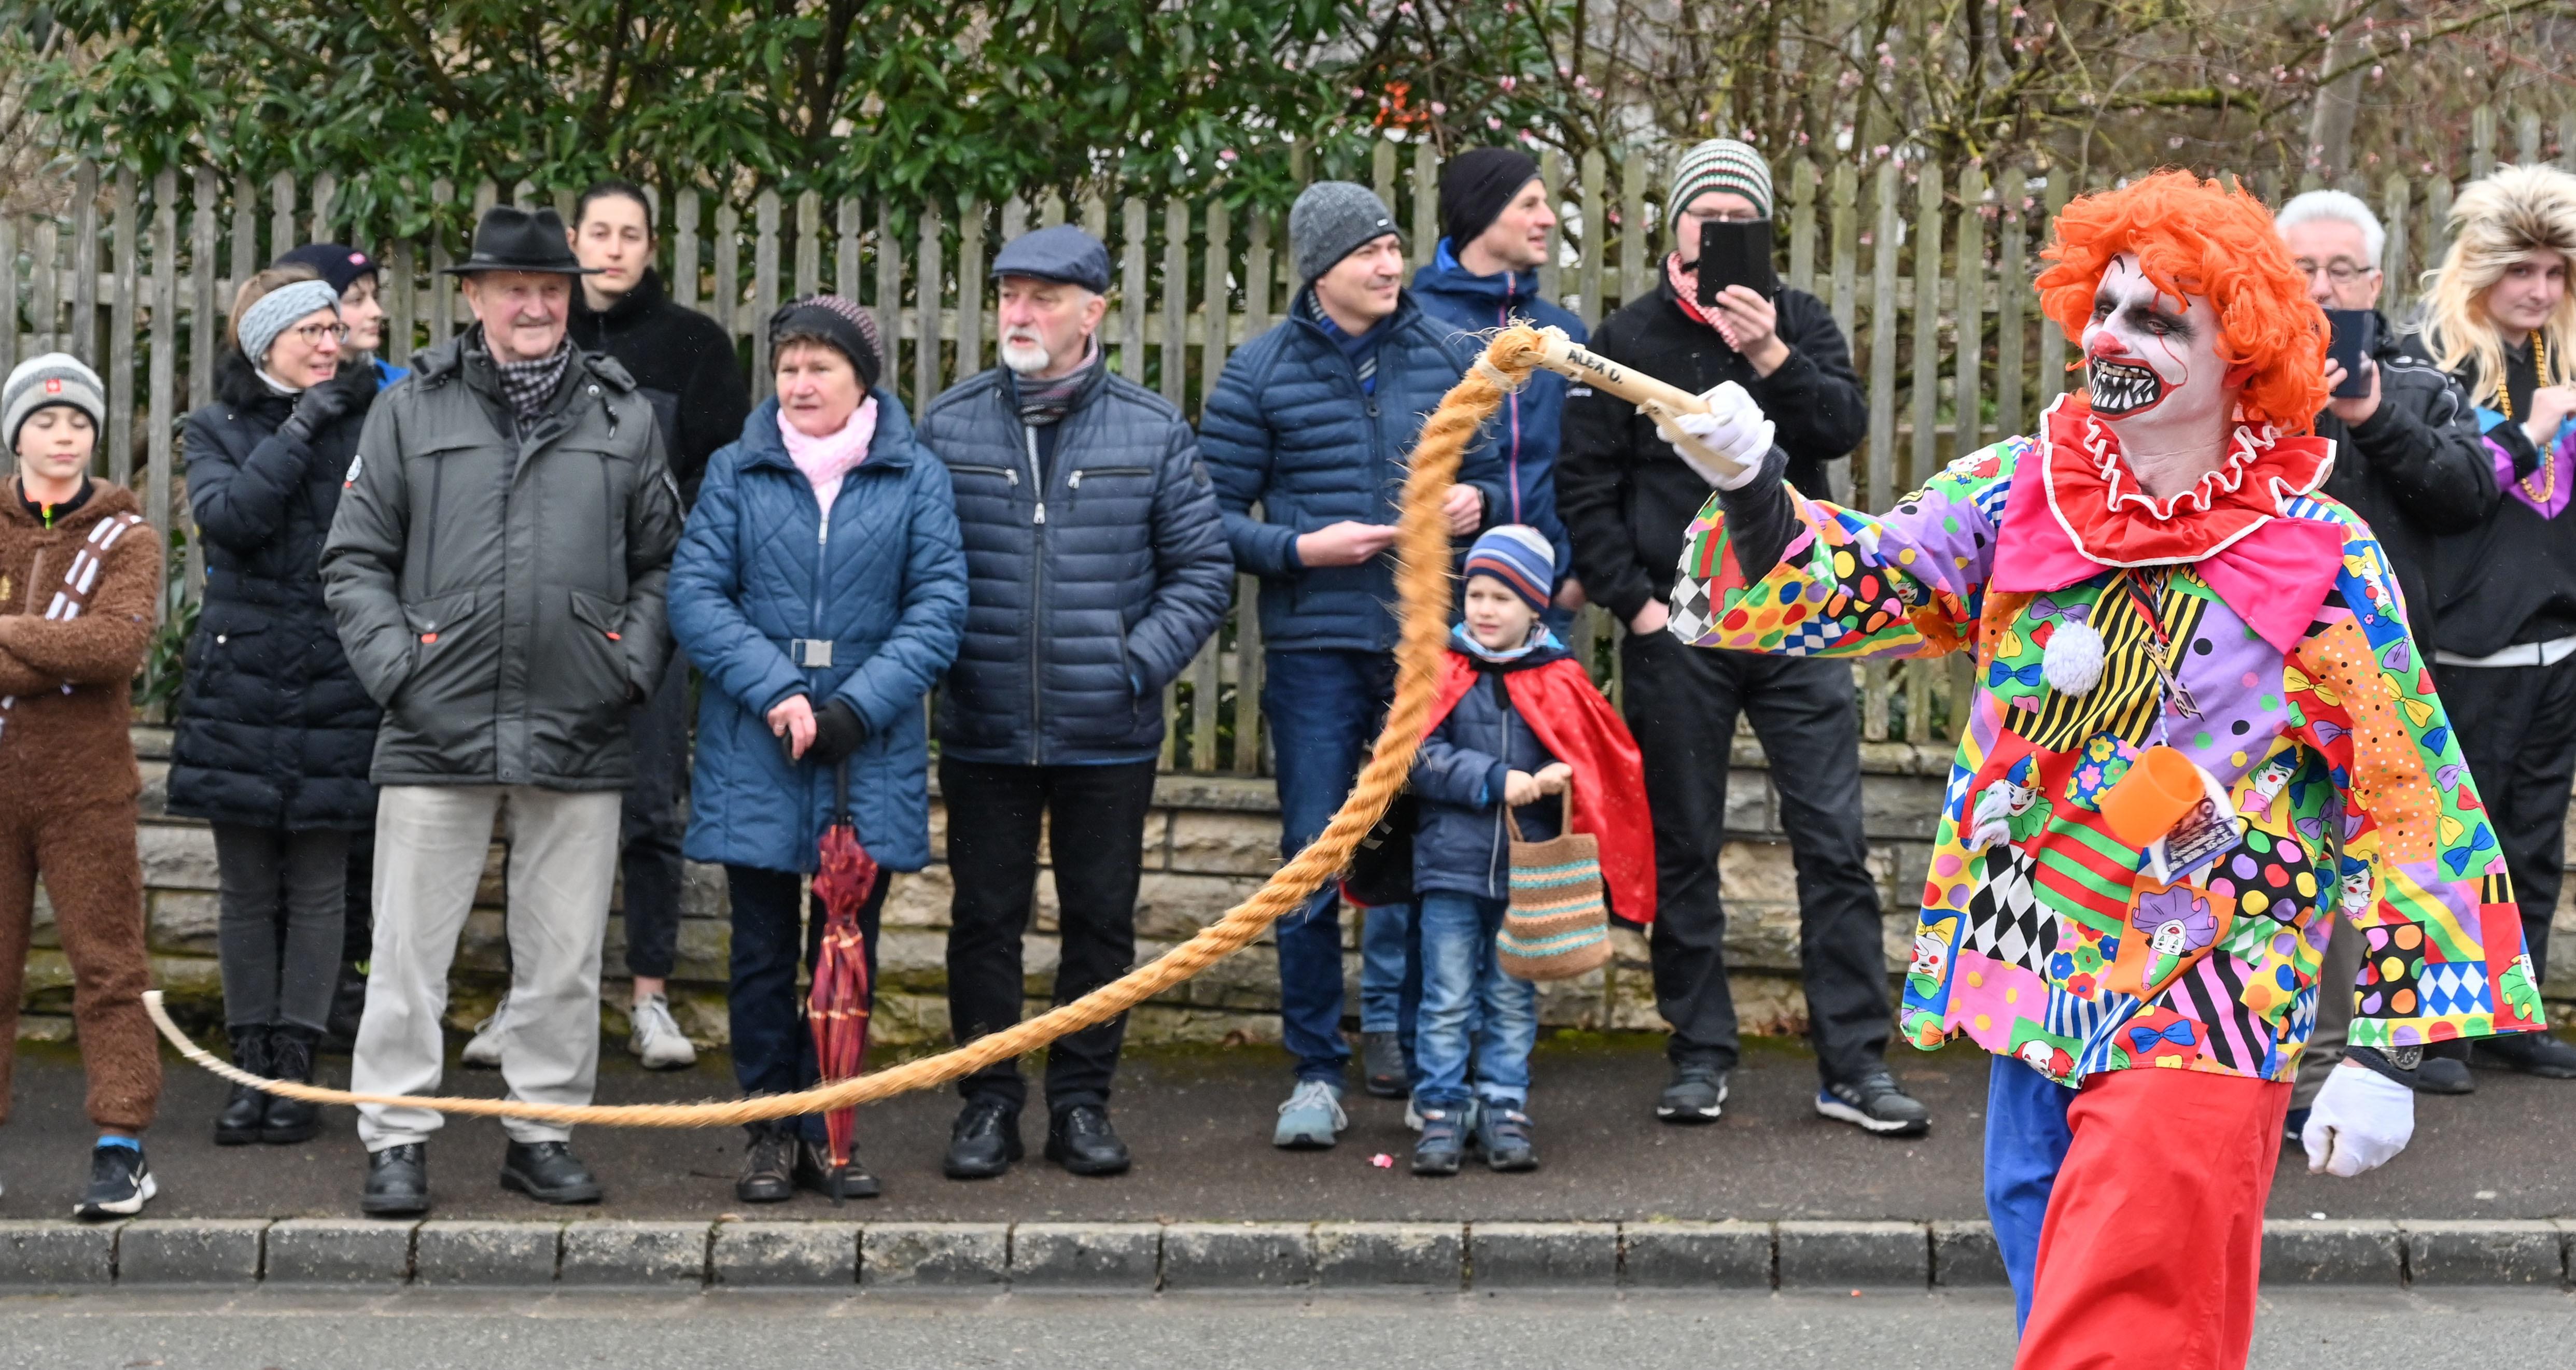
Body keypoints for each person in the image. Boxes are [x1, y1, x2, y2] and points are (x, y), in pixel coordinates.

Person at [1669, 169, 2542, 1365]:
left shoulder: (2313, 551)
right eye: (2106, 304)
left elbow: (2409, 801)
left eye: (2154, 318)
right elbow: (1852, 586)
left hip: (2207, 992)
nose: (2109, 336)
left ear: (2236, 353)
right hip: (2035, 969)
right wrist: (1749, 484)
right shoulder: (2021, 488)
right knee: (2070, 1293)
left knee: (2120, 1320)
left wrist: (2390, 1049)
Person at [1556, 138, 1926, 1134]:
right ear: (1669, 224)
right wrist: (1634, 604)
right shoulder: (1623, 335)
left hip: (1800, 620)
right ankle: (1699, 1052)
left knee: (1834, 845)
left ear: (1762, 230)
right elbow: (1586, 481)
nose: (1714, 232)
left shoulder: (1795, 321)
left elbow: (1839, 426)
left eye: (1736, 217)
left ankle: (1853, 1063)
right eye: (1700, 214)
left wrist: (1766, 352)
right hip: (1676, 628)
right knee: (1685, 843)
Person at [322, 205, 682, 1216]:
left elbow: (664, 559)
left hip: (581, 721)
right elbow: (353, 557)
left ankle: (543, 1130)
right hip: (436, 723)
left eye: (552, 290)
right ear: (474, 297)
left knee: (564, 957)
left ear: (571, 300)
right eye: (513, 288)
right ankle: (395, 1136)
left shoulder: (624, 414)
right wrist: (403, 670)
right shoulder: (412, 410)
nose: (534, 305)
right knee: (405, 954)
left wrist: (627, 662)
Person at [919, 225, 1230, 1180]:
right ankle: (988, 1102)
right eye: (1009, 293)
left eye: (1044, 297)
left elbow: (1202, 569)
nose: (1019, 312)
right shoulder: (948, 424)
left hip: (1108, 731)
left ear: (1092, 311)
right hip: (984, 725)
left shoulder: (1149, 429)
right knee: (984, 919)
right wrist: (949, 666)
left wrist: (1134, 664)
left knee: (1101, 919)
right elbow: (914, 564)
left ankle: (1083, 1101)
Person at [1201, 180, 1504, 1148]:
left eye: (1391, 246)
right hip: (1315, 652)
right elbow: (1207, 520)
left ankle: (1425, 1065)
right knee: (1311, 856)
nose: (1388, 265)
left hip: (1429, 648)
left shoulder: (1448, 358)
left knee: (1431, 856)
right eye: (1367, 251)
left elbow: (1496, 483)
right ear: (1319, 268)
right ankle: (1314, 1071)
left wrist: (1474, 510)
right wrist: (1299, 550)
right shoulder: (1257, 373)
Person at [668, 295, 965, 1203]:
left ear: (861, 380)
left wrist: (854, 707)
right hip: (758, 744)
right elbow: (698, 596)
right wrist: (781, 693)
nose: (799, 384)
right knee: (759, 951)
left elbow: (939, 605)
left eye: (819, 368)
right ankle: (766, 1129)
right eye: (788, 367)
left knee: (845, 946)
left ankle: (831, 1128)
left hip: (860, 754)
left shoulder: (915, 476)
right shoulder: (736, 469)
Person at [463, 180, 748, 1075]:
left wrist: (639, 562)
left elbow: (715, 476)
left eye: (631, 234)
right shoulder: (536, 337)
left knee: (651, 803)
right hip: (538, 613)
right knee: (532, 795)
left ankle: (651, 997)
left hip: (649, 609)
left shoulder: (696, 345)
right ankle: (528, 993)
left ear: (651, 246)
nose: (614, 248)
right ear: (574, 241)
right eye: (600, 232)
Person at [2273, 190, 2498, 1109]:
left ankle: (2351, 1069)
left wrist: (2370, 414)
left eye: (2339, 271)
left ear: (2372, 281)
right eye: (2301, 270)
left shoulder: (2416, 383)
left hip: (2381, 673)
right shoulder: (2226, 372)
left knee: (2372, 873)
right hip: (2254, 669)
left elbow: (2466, 496)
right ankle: (2266, 1069)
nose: (2322, 289)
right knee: (2268, 869)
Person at [169, 266, 384, 1147]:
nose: (333, 344)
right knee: (248, 886)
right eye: (314, 332)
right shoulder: (212, 428)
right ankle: (246, 1065)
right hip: (241, 683)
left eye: (338, 330)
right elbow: (234, 519)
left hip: (340, 677)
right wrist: (303, 424)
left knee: (322, 883)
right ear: (266, 344)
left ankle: (298, 1069)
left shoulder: (376, 421)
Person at [1405, 525, 1652, 1177]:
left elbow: (1592, 759)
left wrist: (1559, 775)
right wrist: (1494, 779)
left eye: (1502, 598)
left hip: (1529, 877)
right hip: (1450, 871)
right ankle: (1440, 1112)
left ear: (1535, 605)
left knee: (1512, 999)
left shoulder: (1560, 678)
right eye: (1476, 594)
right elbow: (1412, 757)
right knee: (1447, 996)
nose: (1484, 610)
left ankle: (1505, 1108)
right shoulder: (1443, 670)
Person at [2415, 163, 2576, 1081]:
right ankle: (2433, 1028)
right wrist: (2525, 432)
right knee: (2452, 843)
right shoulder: (2432, 368)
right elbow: (2440, 493)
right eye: (2522, 271)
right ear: (2481, 270)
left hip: (2555, 646)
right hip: (2462, 648)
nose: (2539, 291)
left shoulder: (2562, 362)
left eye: (2554, 274)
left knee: (2530, 839)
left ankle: (2505, 1015)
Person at [0, 353, 164, 1218]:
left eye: (77, 424)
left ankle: (121, 1143)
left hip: (89, 789)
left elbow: (115, 647)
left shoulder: (126, 537)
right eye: (44, 422)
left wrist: (6, 633)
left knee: (108, 968)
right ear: (16, 433)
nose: (62, 438)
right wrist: (44, 653)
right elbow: (78, 649)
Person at [273, 242, 407, 1052]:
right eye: (353, 300)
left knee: (359, 841)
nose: (370, 315)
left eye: (368, 299)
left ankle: (348, 996)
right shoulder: (258, 412)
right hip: (288, 655)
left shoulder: (397, 395)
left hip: (365, 649)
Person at [1410, 148, 1588, 618]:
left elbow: (1589, 464)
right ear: (1481, 214)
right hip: (1441, 592)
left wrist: (1577, 571)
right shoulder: (1412, 325)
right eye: (1528, 205)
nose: (1548, 219)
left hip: (1540, 591)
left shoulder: (1563, 335)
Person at [274, 243, 408, 387]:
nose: (377, 312)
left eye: (375, 297)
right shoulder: (266, 402)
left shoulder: (404, 387)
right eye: (357, 300)